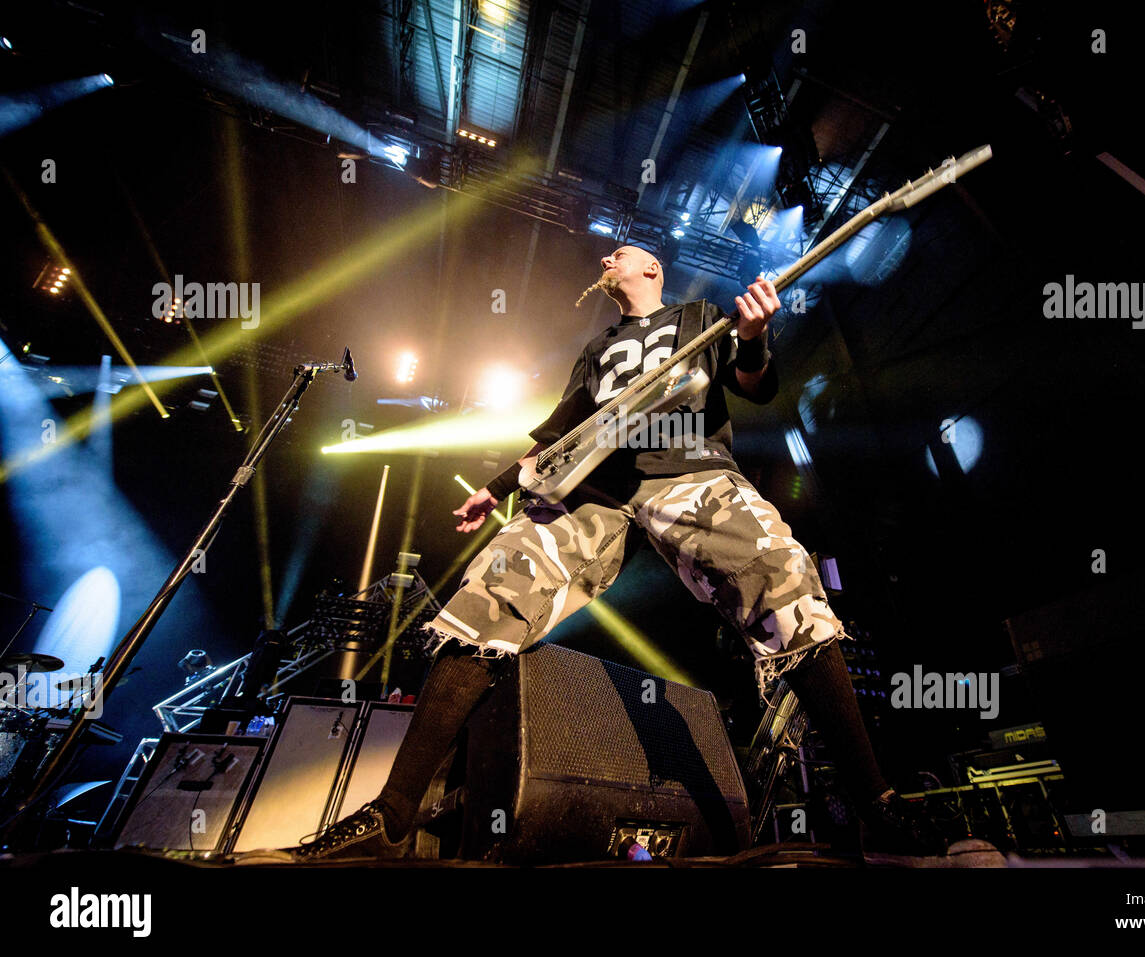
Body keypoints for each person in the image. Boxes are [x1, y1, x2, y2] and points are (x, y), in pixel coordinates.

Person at [291, 245, 941, 860]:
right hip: (597, 490)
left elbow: (754, 381)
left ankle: (875, 801)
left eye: (619, 253)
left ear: (652, 267)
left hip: (690, 472)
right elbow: (556, 437)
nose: (606, 258)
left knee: (783, 577)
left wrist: (752, 335)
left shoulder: (697, 319)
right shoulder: (597, 350)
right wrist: (495, 488)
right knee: (494, 591)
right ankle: (394, 816)